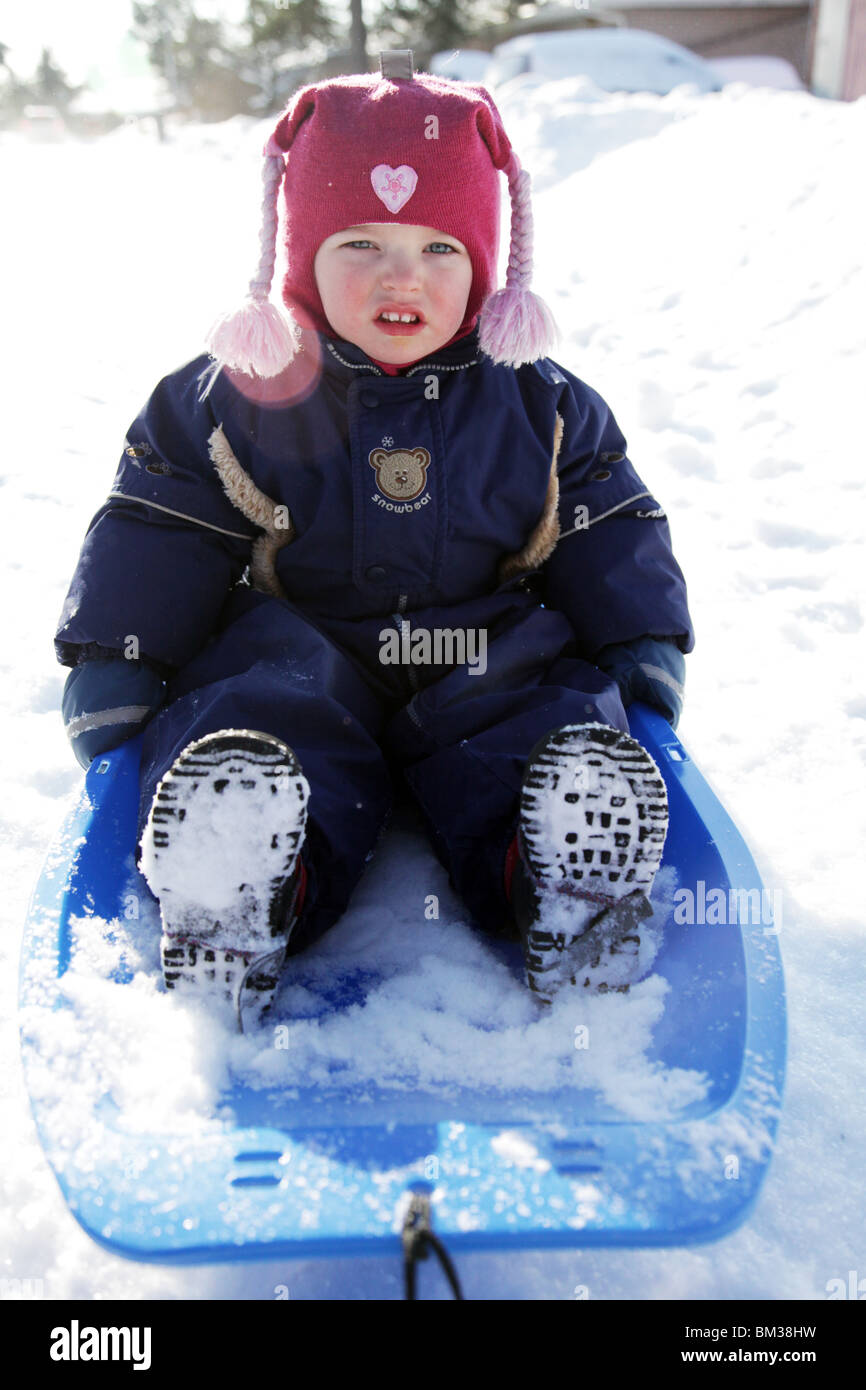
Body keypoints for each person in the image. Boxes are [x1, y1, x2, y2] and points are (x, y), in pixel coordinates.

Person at [56, 52, 693, 1030]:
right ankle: (243, 877)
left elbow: (603, 513)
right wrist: (121, 656)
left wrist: (635, 642)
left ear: (486, 267)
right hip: (305, 639)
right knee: (261, 709)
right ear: (297, 252)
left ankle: (561, 872)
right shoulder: (245, 387)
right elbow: (162, 513)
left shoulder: (538, 399)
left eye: (440, 247)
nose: (403, 275)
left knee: (538, 714)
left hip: (478, 644)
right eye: (359, 241)